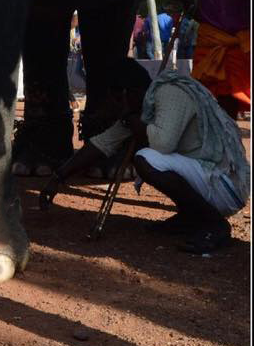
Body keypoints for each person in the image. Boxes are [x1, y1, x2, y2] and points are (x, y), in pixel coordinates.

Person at [39, 59, 249, 254]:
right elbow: (102, 144)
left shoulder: (169, 93)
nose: (115, 108)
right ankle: (190, 217)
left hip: (225, 186)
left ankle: (214, 224)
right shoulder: (142, 108)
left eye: (115, 100)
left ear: (124, 93)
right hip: (210, 182)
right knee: (149, 158)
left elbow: (162, 143)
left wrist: (131, 121)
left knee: (146, 159)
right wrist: (58, 177)